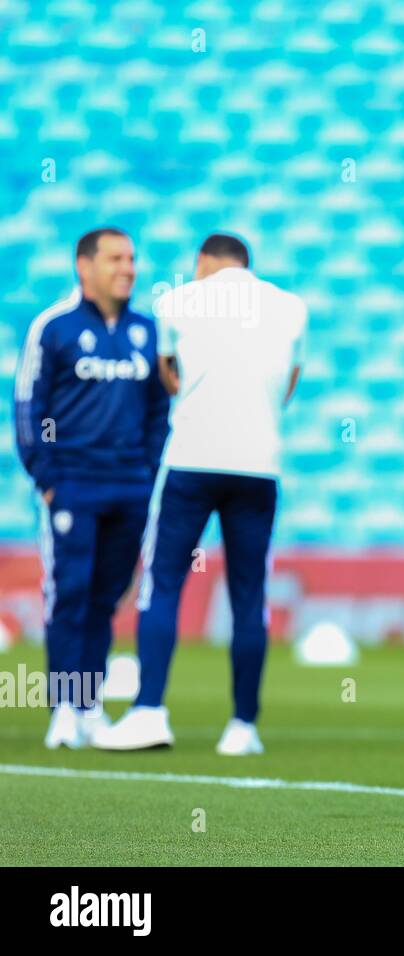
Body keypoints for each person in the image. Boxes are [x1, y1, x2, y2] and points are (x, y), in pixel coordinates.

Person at [91, 234, 306, 756]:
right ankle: (243, 727)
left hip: (191, 459)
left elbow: (169, 375)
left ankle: (149, 711)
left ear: (204, 261)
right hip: (258, 464)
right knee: (249, 595)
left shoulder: (176, 301)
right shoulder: (291, 307)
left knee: (162, 585)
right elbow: (289, 382)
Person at [13, 227, 170, 749]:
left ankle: (89, 703)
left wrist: (146, 470)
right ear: (84, 266)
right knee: (70, 595)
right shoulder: (54, 327)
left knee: (106, 599)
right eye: (115, 258)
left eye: (131, 258)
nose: (128, 268)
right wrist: (48, 478)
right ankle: (63, 707)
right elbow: (28, 407)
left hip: (129, 487)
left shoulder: (146, 330)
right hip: (72, 485)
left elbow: (158, 410)